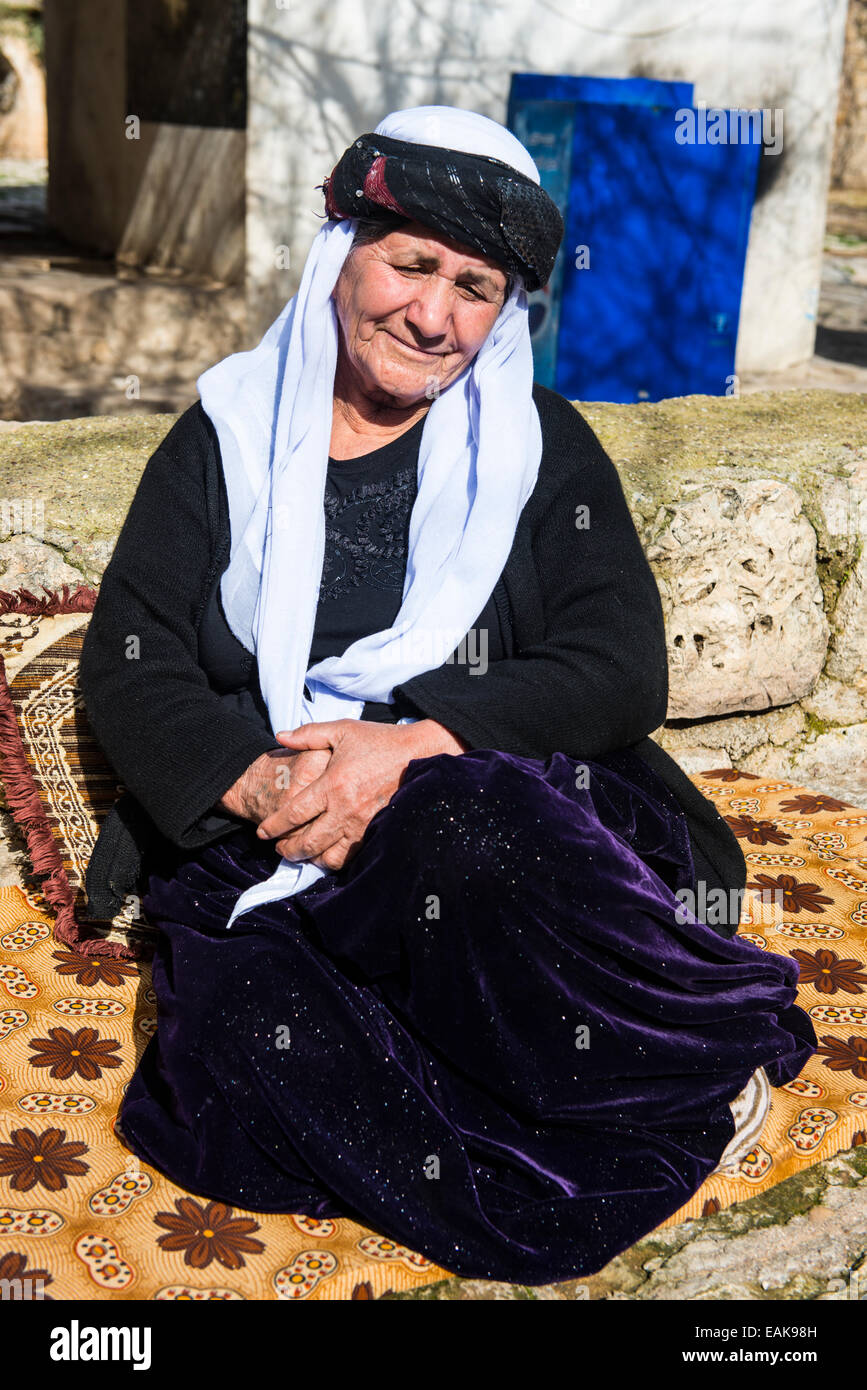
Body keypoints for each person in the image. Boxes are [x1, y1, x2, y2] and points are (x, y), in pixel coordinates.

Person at [78, 105, 816, 1286]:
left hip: (510, 804)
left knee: (462, 837)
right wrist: (275, 783)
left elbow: (620, 667)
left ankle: (676, 1074)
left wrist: (413, 745)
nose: (434, 314)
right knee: (227, 1048)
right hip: (276, 818)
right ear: (342, 253)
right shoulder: (225, 439)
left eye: (475, 286)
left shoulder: (541, 451)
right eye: (411, 263)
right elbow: (133, 656)